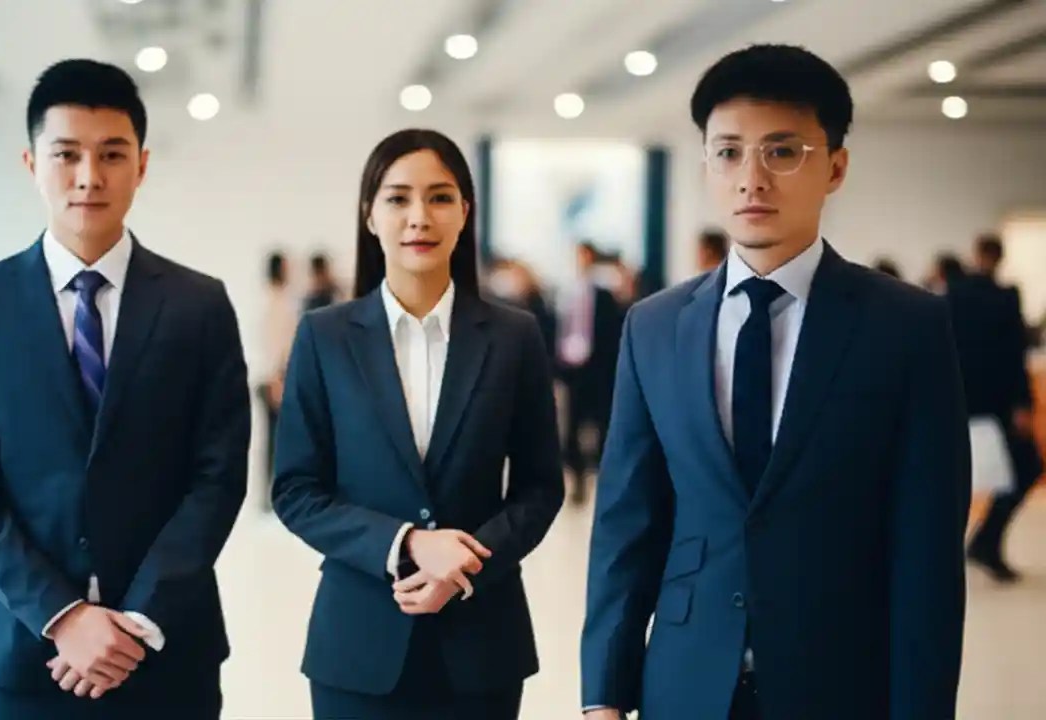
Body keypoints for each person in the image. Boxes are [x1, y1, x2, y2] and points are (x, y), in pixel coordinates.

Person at [581, 44, 970, 720]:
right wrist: (603, 696)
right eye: (729, 152)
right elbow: (626, 528)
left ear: (836, 167)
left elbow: (928, 556)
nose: (751, 178)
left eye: (782, 151)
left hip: (843, 682)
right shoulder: (655, 326)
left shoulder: (905, 327)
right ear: (706, 166)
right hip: (686, 682)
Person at [0, 59, 249, 719]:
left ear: (143, 164)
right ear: (30, 162)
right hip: (25, 651)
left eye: (111, 154)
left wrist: (141, 617)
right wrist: (62, 614)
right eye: (66, 154)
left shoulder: (200, 305)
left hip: (166, 648)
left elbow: (217, 476)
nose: (88, 177)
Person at [272, 128, 564, 719]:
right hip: (358, 647)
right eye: (398, 198)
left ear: (464, 213)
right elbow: (297, 491)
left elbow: (540, 488)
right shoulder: (325, 337)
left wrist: (462, 569)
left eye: (439, 197)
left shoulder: (513, 336)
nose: (418, 217)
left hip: (483, 646)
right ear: (370, 215)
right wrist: (407, 545)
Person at [955, 234, 1042, 582]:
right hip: (1001, 404)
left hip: (964, 401)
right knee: (1027, 467)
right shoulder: (1006, 297)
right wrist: (1022, 402)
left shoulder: (953, 296)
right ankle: (986, 541)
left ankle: (984, 542)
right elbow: (1012, 354)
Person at [558, 241, 626, 503]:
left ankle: (606, 479)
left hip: (598, 371)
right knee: (572, 427)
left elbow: (612, 333)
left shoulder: (605, 293)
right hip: (574, 370)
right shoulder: (569, 292)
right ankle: (577, 482)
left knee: (601, 425)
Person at [258, 251, 299, 509]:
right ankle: (272, 495)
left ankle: (269, 494)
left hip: (269, 376)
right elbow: (275, 344)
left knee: (272, 438)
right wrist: (277, 379)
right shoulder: (277, 302)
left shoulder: (268, 299)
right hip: (274, 378)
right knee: (276, 439)